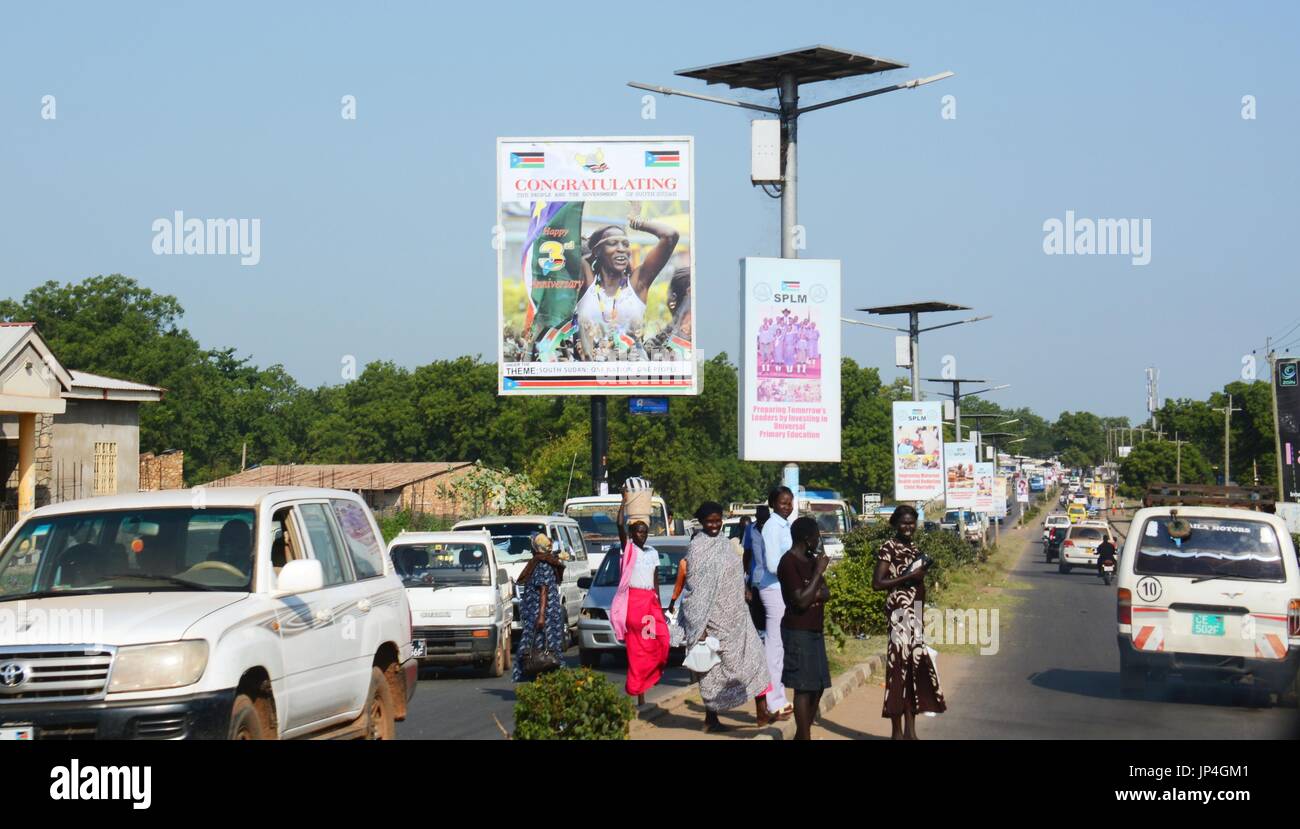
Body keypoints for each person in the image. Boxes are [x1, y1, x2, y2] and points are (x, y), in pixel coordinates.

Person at [671, 501, 770, 733]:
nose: (714, 525)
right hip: (712, 620)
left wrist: (743, 592)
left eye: (718, 520)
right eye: (709, 521)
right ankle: (710, 719)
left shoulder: (726, 544)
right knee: (714, 671)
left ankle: (762, 712)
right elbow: (695, 589)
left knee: (755, 659)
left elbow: (735, 573)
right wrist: (700, 626)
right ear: (702, 522)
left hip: (737, 616)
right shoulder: (697, 547)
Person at [872, 504, 946, 739]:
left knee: (913, 673)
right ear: (895, 524)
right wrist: (909, 577)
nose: (908, 527)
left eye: (912, 523)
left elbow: (917, 584)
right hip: (898, 617)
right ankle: (896, 732)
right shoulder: (888, 547)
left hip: (915, 618)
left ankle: (910, 732)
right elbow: (878, 583)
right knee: (898, 673)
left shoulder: (914, 548)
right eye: (904, 522)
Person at [575, 214, 679, 344]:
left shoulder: (637, 285)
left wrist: (637, 222)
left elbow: (670, 235)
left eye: (625, 244)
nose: (621, 249)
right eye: (613, 244)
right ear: (597, 251)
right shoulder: (586, 284)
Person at [778, 516, 832, 740]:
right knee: (803, 687)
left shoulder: (811, 560)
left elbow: (826, 592)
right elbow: (800, 601)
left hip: (814, 630)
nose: (818, 540)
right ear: (806, 538)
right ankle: (804, 735)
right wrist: (818, 574)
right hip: (797, 630)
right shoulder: (788, 563)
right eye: (816, 536)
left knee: (818, 685)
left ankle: (802, 733)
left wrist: (816, 591)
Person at [610, 504, 669, 706]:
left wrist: (658, 604)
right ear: (632, 533)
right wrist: (623, 503)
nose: (642, 535)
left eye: (644, 532)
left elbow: (655, 580)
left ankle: (650, 677)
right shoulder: (628, 549)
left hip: (650, 603)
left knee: (658, 640)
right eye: (638, 532)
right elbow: (619, 524)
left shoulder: (652, 552)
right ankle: (639, 691)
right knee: (638, 647)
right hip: (634, 604)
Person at [756, 487, 795, 722]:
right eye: (783, 503)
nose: (787, 506)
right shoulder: (773, 526)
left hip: (782, 589)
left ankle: (778, 698)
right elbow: (772, 564)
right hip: (774, 589)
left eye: (790, 502)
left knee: (779, 647)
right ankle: (773, 701)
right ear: (773, 504)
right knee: (774, 649)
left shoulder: (783, 524)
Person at [512, 533, 567, 682]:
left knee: (539, 649)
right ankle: (541, 680)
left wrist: (541, 615)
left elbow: (544, 590)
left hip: (542, 614)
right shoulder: (541, 561)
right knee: (541, 649)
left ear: (537, 547)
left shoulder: (542, 564)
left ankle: (543, 680)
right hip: (539, 613)